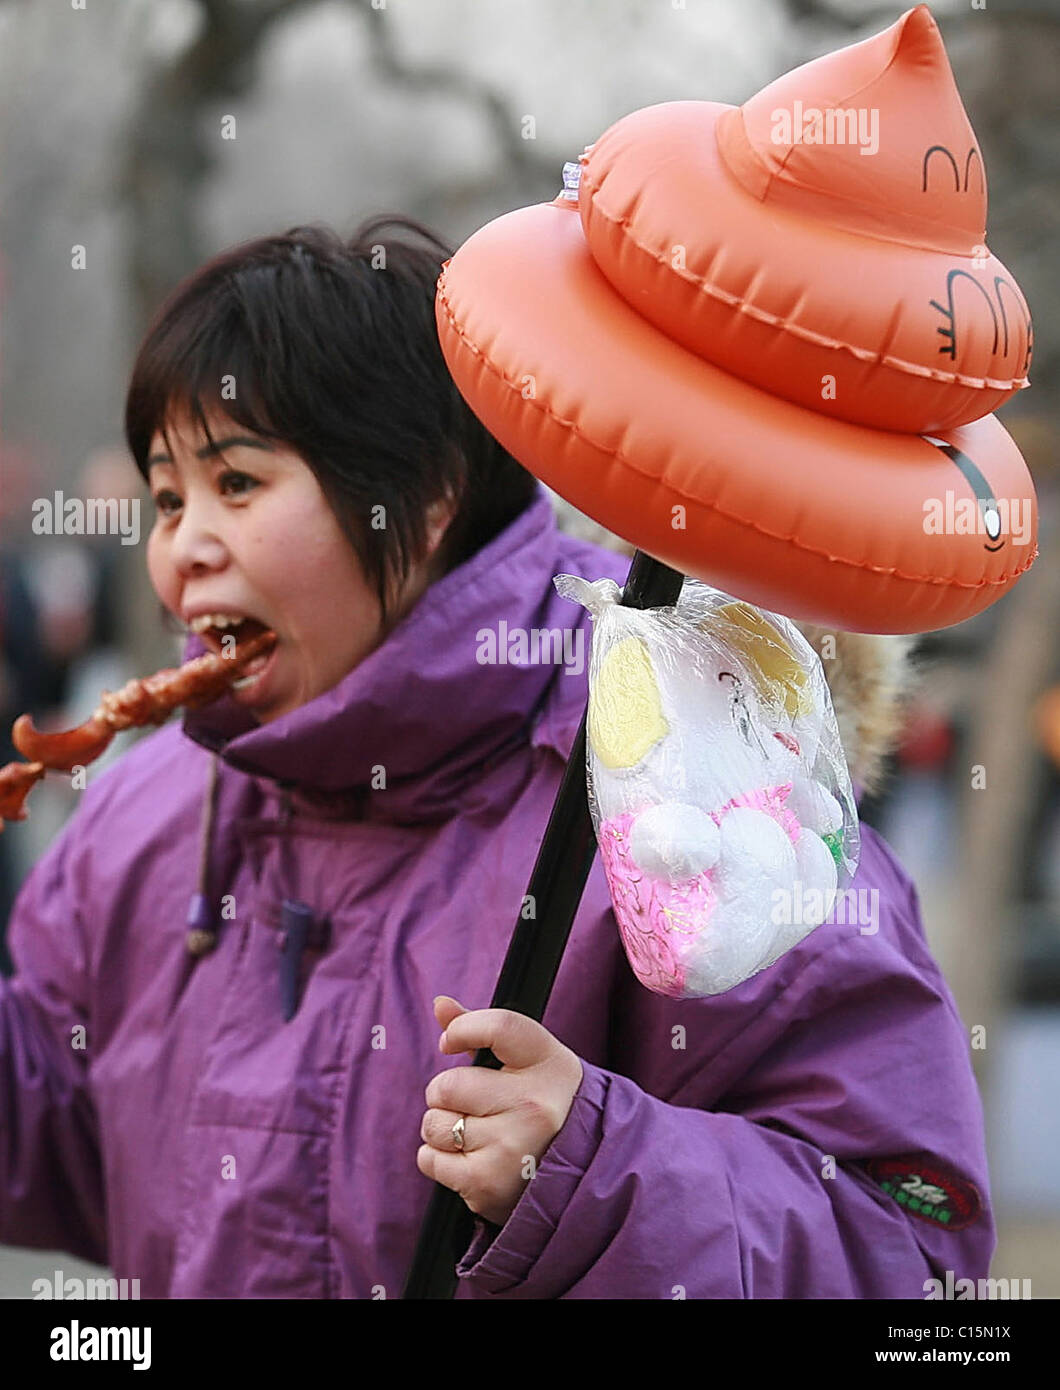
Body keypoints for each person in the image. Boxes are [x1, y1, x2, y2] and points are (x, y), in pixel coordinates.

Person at [0, 216, 992, 1298]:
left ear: (424, 498)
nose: (184, 548)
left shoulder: (684, 800)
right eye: (165, 498)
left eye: (237, 484)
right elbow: (68, 1138)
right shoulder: (148, 809)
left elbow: (909, 1250)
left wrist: (591, 1175)